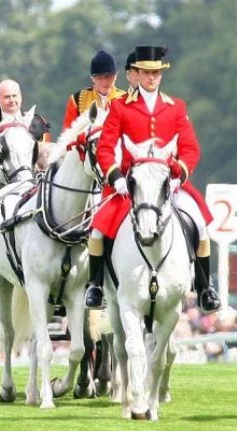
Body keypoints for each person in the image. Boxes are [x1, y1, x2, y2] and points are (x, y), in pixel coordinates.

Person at [85, 45, 222, 314]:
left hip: (168, 182)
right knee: (98, 229)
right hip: (130, 185)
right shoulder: (120, 107)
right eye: (146, 73)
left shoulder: (176, 107)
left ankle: (205, 286)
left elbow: (191, 148)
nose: (151, 78)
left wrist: (179, 174)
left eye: (156, 73)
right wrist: (116, 177)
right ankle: (96, 285)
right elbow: (104, 148)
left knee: (200, 226)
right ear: (136, 73)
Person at [62, 50, 127, 131]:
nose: (104, 82)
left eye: (108, 76)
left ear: (116, 76)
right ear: (92, 78)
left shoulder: (127, 100)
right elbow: (67, 134)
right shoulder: (76, 100)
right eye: (99, 77)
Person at [0, 79, 51, 144]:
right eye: (7, 97)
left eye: (14, 96)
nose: (12, 100)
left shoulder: (37, 123)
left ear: (21, 96)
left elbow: (44, 155)